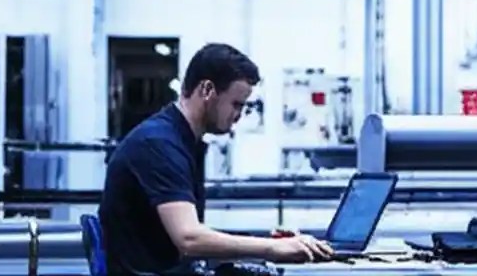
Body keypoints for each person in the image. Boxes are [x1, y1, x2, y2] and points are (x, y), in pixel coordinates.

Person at [99, 43, 334, 274]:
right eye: (236, 104)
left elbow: (194, 235)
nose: (239, 115)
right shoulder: (158, 144)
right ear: (207, 90)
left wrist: (267, 241)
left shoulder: (181, 140)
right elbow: (189, 239)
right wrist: (271, 248)